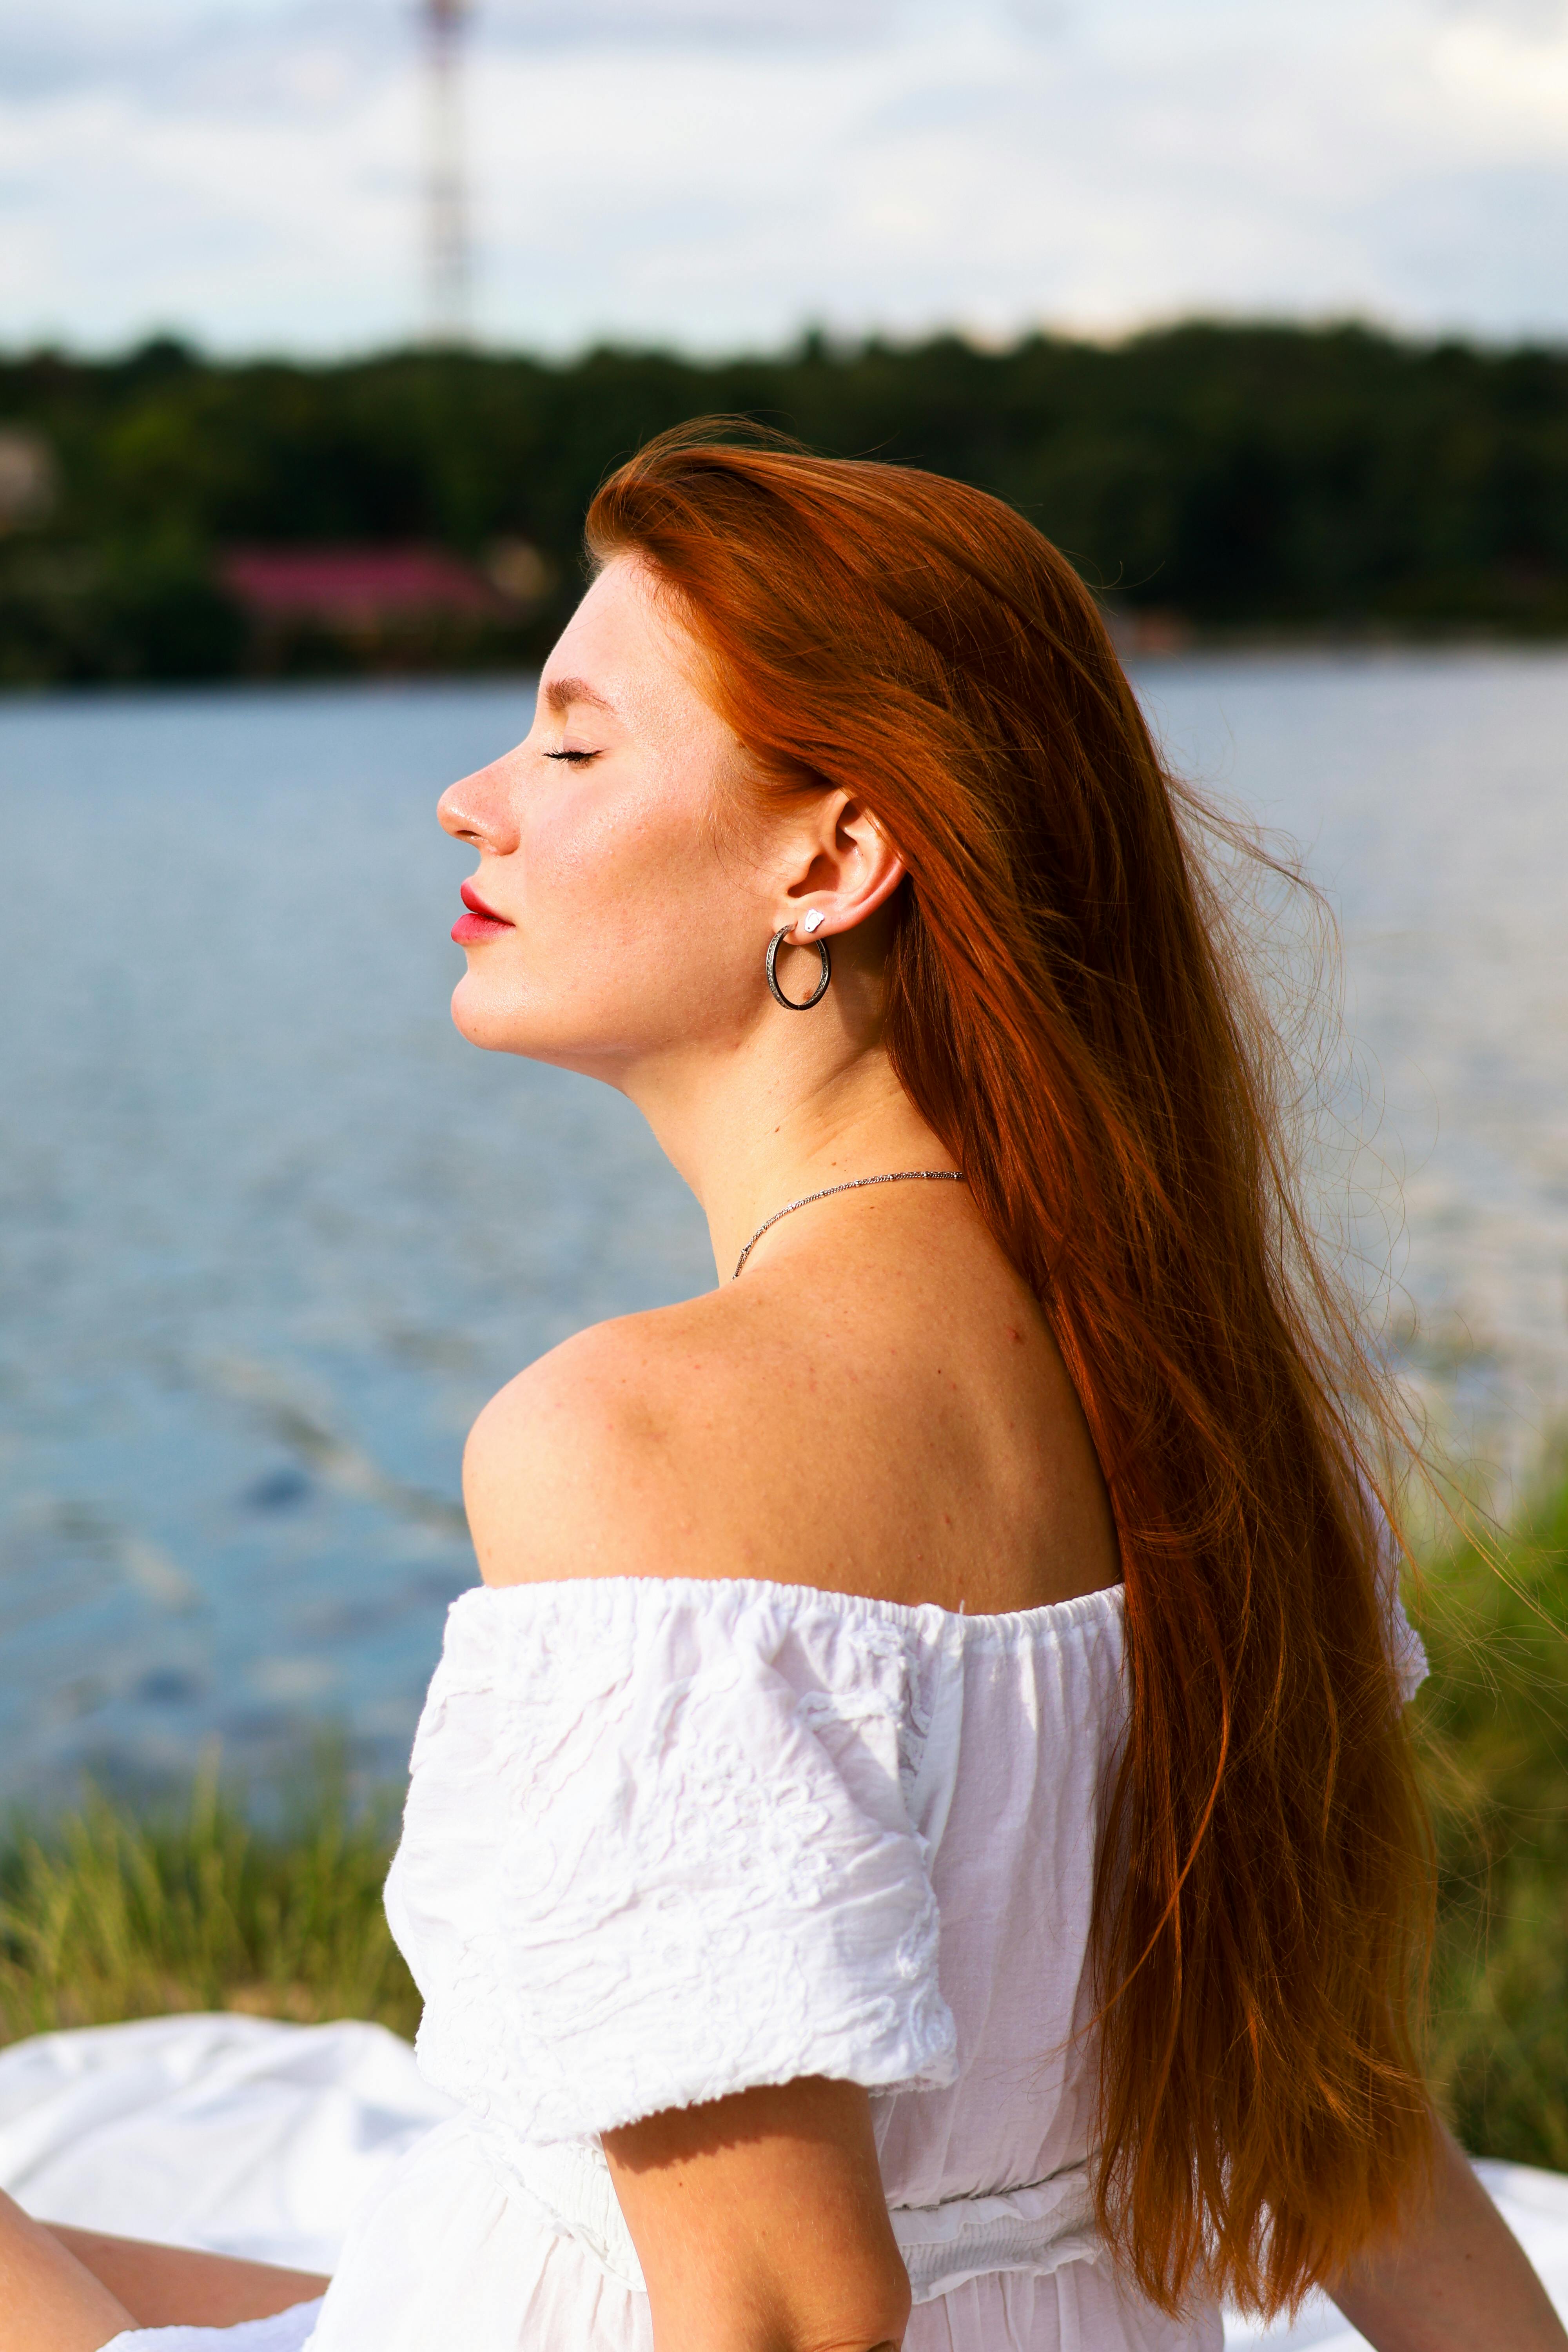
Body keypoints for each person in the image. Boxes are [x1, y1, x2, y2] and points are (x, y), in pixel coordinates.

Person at [1, 425, 1563, 2352]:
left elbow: (785, 2310)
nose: (469, 799)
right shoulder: (1220, 1395)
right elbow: (1364, 2149)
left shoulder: (630, 1445)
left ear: (831, 859)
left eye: (572, 745)